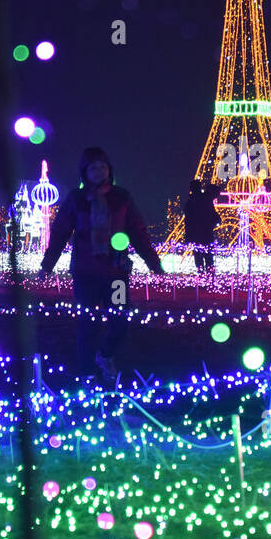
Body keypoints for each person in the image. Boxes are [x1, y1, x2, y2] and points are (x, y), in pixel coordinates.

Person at [40, 147, 165, 383]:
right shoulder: (76, 199)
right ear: (85, 172)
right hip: (85, 272)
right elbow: (60, 232)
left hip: (116, 273)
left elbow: (138, 232)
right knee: (88, 323)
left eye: (102, 166)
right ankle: (87, 372)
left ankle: (105, 355)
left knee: (120, 319)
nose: (98, 171)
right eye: (93, 167)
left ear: (109, 170)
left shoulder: (121, 197)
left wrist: (154, 264)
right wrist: (47, 265)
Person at [183, 180, 221, 272]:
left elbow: (187, 221)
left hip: (196, 235)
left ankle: (202, 279)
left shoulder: (190, 203)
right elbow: (216, 217)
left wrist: (188, 235)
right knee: (208, 259)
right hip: (206, 234)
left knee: (199, 260)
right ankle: (209, 279)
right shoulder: (205, 199)